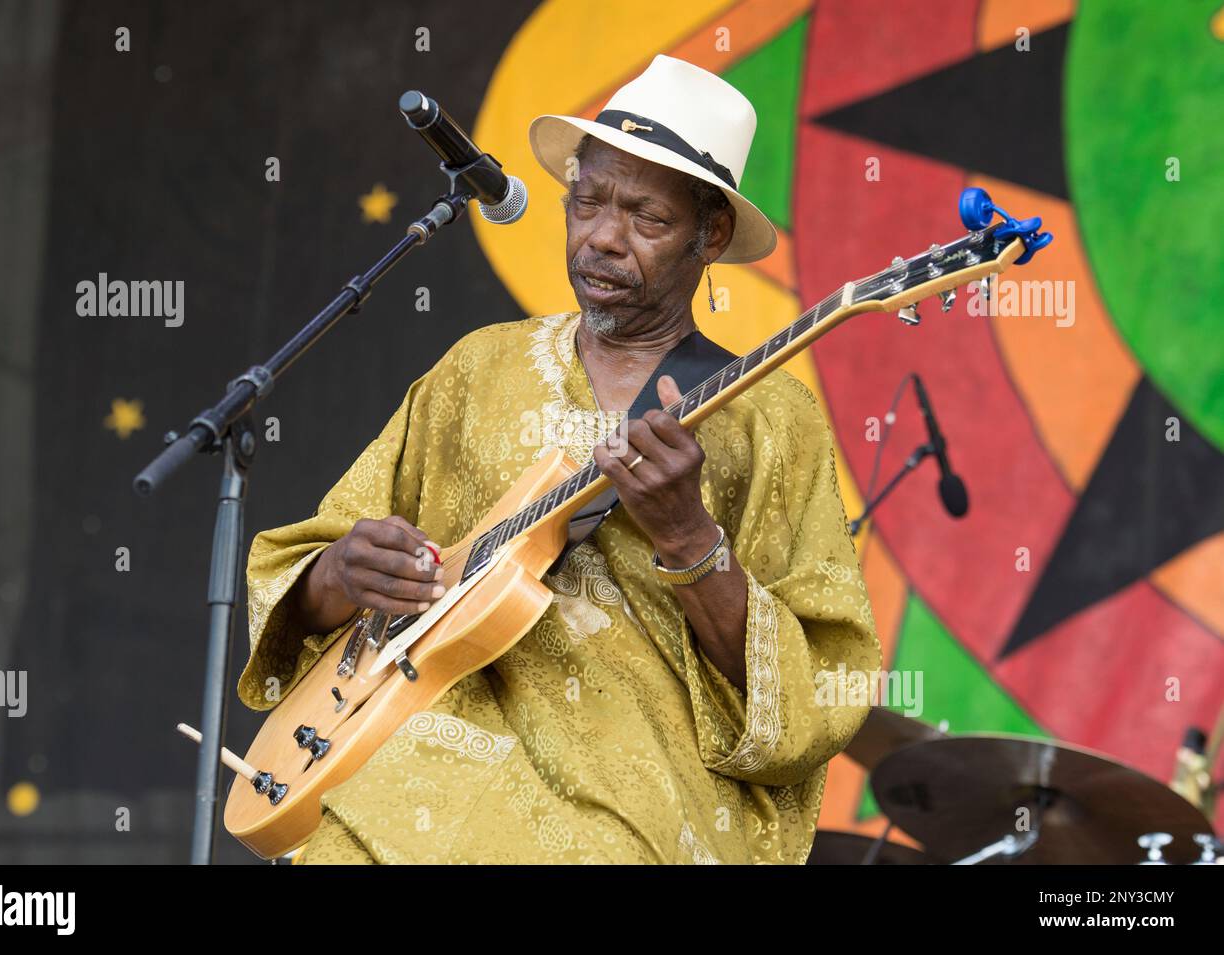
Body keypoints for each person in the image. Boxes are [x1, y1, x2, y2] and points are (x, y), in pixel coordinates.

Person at [239, 54, 880, 864]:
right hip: (416, 763)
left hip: (632, 803)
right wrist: (341, 574)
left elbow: (825, 686)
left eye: (645, 219)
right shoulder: (476, 369)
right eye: (587, 202)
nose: (603, 237)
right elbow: (315, 575)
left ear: (710, 234)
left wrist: (689, 539)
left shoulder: (769, 419)